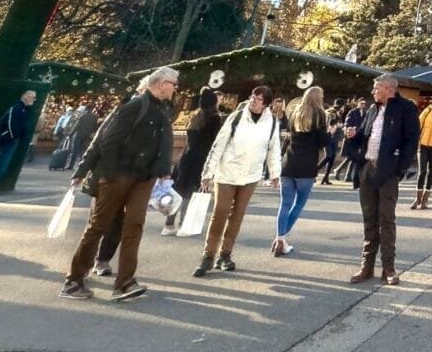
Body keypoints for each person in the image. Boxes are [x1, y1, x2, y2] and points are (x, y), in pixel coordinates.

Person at [58, 67, 177, 302]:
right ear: (162, 84)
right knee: (99, 226)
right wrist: (110, 175)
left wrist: (164, 172)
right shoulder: (135, 105)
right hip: (119, 175)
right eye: (174, 83)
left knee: (134, 226)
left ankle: (124, 283)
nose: (176, 88)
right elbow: (107, 140)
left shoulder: (163, 109)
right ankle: (74, 280)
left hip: (144, 177)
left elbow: (163, 144)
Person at [193, 86, 282, 277]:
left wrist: (275, 173)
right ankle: (208, 255)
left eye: (259, 99)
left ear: (266, 104)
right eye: (253, 97)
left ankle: (225, 255)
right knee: (220, 212)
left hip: (251, 175)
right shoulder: (236, 117)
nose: (254, 101)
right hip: (227, 172)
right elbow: (218, 145)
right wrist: (208, 173)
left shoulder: (272, 122)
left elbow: (273, 148)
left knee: (237, 215)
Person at [350, 73, 419, 286]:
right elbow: (364, 135)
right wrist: (353, 135)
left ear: (389, 89)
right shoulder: (373, 109)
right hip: (367, 168)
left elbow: (411, 140)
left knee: (386, 219)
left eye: (377, 88)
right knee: (369, 218)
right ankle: (366, 266)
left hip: (388, 172)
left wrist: (400, 169)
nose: (373, 91)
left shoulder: (405, 108)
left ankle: (388, 267)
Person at [275, 86, 331, 257]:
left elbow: (290, 135)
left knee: (285, 204)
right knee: (298, 204)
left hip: (289, 162)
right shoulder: (320, 115)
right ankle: (282, 238)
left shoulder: (295, 112)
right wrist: (329, 132)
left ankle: (280, 237)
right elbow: (322, 142)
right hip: (306, 166)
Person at [163, 87, 220, 236]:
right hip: (201, 159)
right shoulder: (214, 118)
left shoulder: (195, 116)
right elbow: (214, 142)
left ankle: (169, 224)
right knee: (193, 193)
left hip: (186, 157)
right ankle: (184, 224)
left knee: (179, 191)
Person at [0, 88, 38, 196]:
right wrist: (14, 137)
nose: (34, 99)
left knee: (1, 166)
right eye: (33, 97)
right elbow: (11, 125)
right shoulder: (16, 109)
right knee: (1, 166)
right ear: (25, 96)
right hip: (6, 141)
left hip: (9, 141)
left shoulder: (22, 110)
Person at [411, 95, 432, 210]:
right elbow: (418, 123)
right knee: (422, 171)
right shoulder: (428, 110)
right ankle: (417, 198)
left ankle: (425, 199)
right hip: (423, 144)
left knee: (431, 172)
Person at [339, 98, 369, 187]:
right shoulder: (353, 112)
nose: (363, 105)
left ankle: (346, 175)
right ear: (358, 103)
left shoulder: (365, 113)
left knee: (354, 158)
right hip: (352, 137)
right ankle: (345, 174)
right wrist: (350, 130)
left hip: (360, 137)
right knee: (353, 157)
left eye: (364, 103)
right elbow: (347, 123)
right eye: (361, 103)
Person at [69, 100, 99, 172]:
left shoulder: (82, 116)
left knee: (75, 150)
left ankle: (71, 165)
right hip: (87, 136)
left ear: (86, 109)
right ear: (92, 108)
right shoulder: (95, 117)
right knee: (84, 151)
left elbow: (77, 125)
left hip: (79, 134)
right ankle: (81, 166)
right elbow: (95, 127)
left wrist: (71, 133)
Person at [318, 105, 343, 186]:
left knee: (332, 158)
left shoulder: (337, 114)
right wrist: (336, 126)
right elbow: (329, 126)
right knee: (328, 156)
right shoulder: (331, 114)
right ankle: (314, 172)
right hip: (328, 137)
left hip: (334, 139)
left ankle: (326, 177)